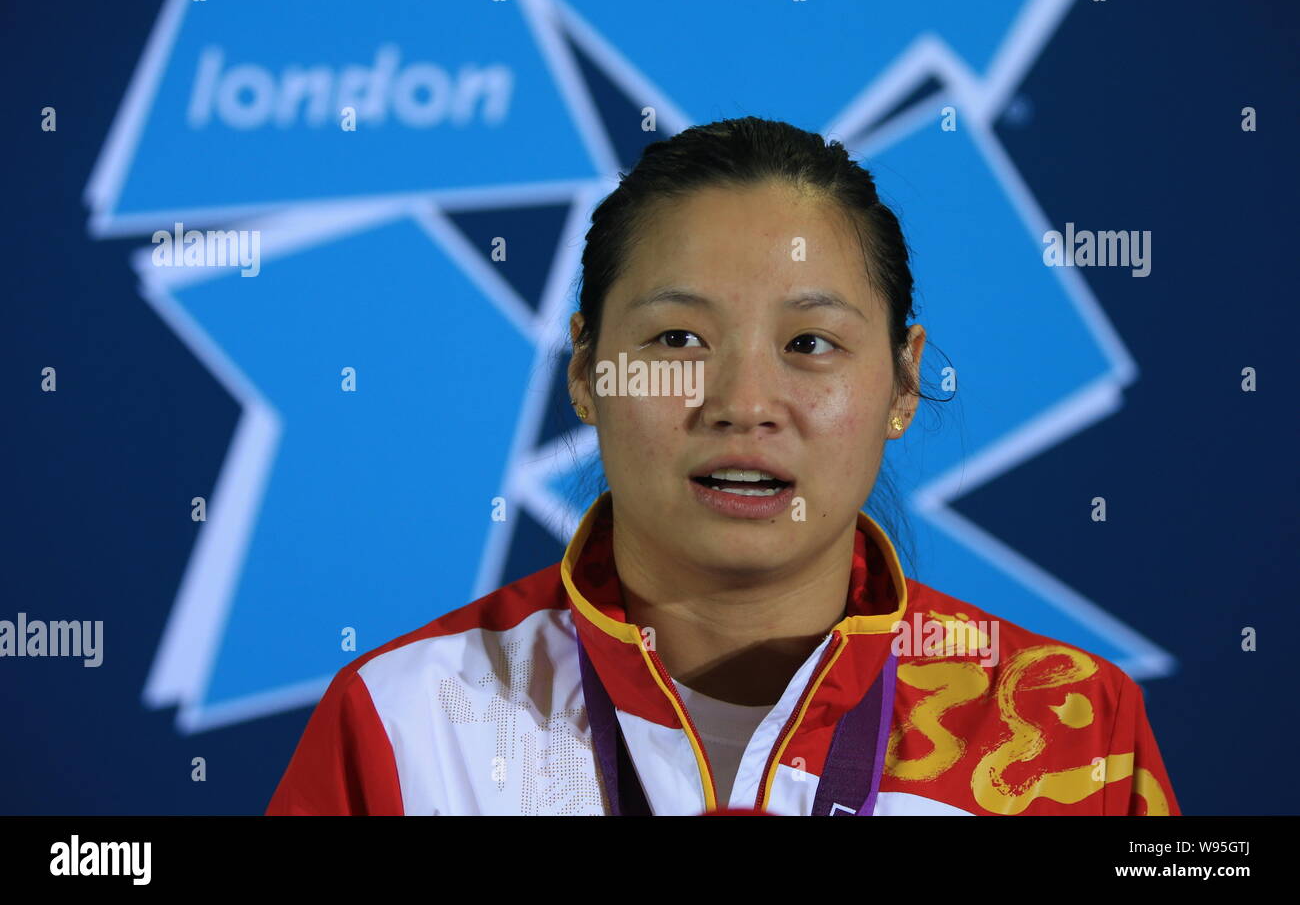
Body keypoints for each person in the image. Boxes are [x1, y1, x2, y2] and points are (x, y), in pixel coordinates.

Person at [265, 116, 1179, 816]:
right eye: (677, 338)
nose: (743, 402)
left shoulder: (1075, 730)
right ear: (587, 372)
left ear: (903, 382)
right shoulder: (406, 721)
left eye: (811, 342)